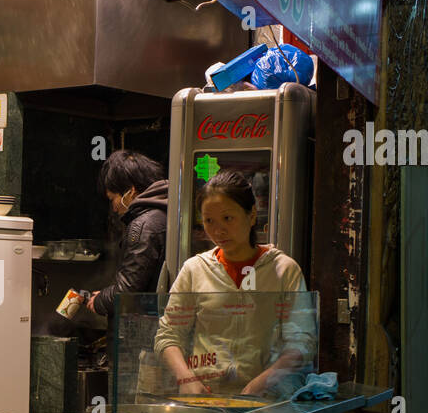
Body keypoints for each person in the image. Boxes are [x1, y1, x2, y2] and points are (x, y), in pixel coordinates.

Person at [154, 170, 312, 395]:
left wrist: (265, 381)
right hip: (207, 399)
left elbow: (302, 341)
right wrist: (186, 378)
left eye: (228, 218)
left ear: (252, 215)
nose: (218, 230)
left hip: (267, 402)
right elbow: (168, 335)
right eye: (209, 221)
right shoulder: (194, 269)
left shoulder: (284, 270)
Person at [86, 150, 171, 318]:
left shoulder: (143, 225)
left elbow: (127, 292)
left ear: (131, 191)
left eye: (113, 199)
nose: (114, 207)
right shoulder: (166, 214)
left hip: (147, 324)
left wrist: (99, 301)